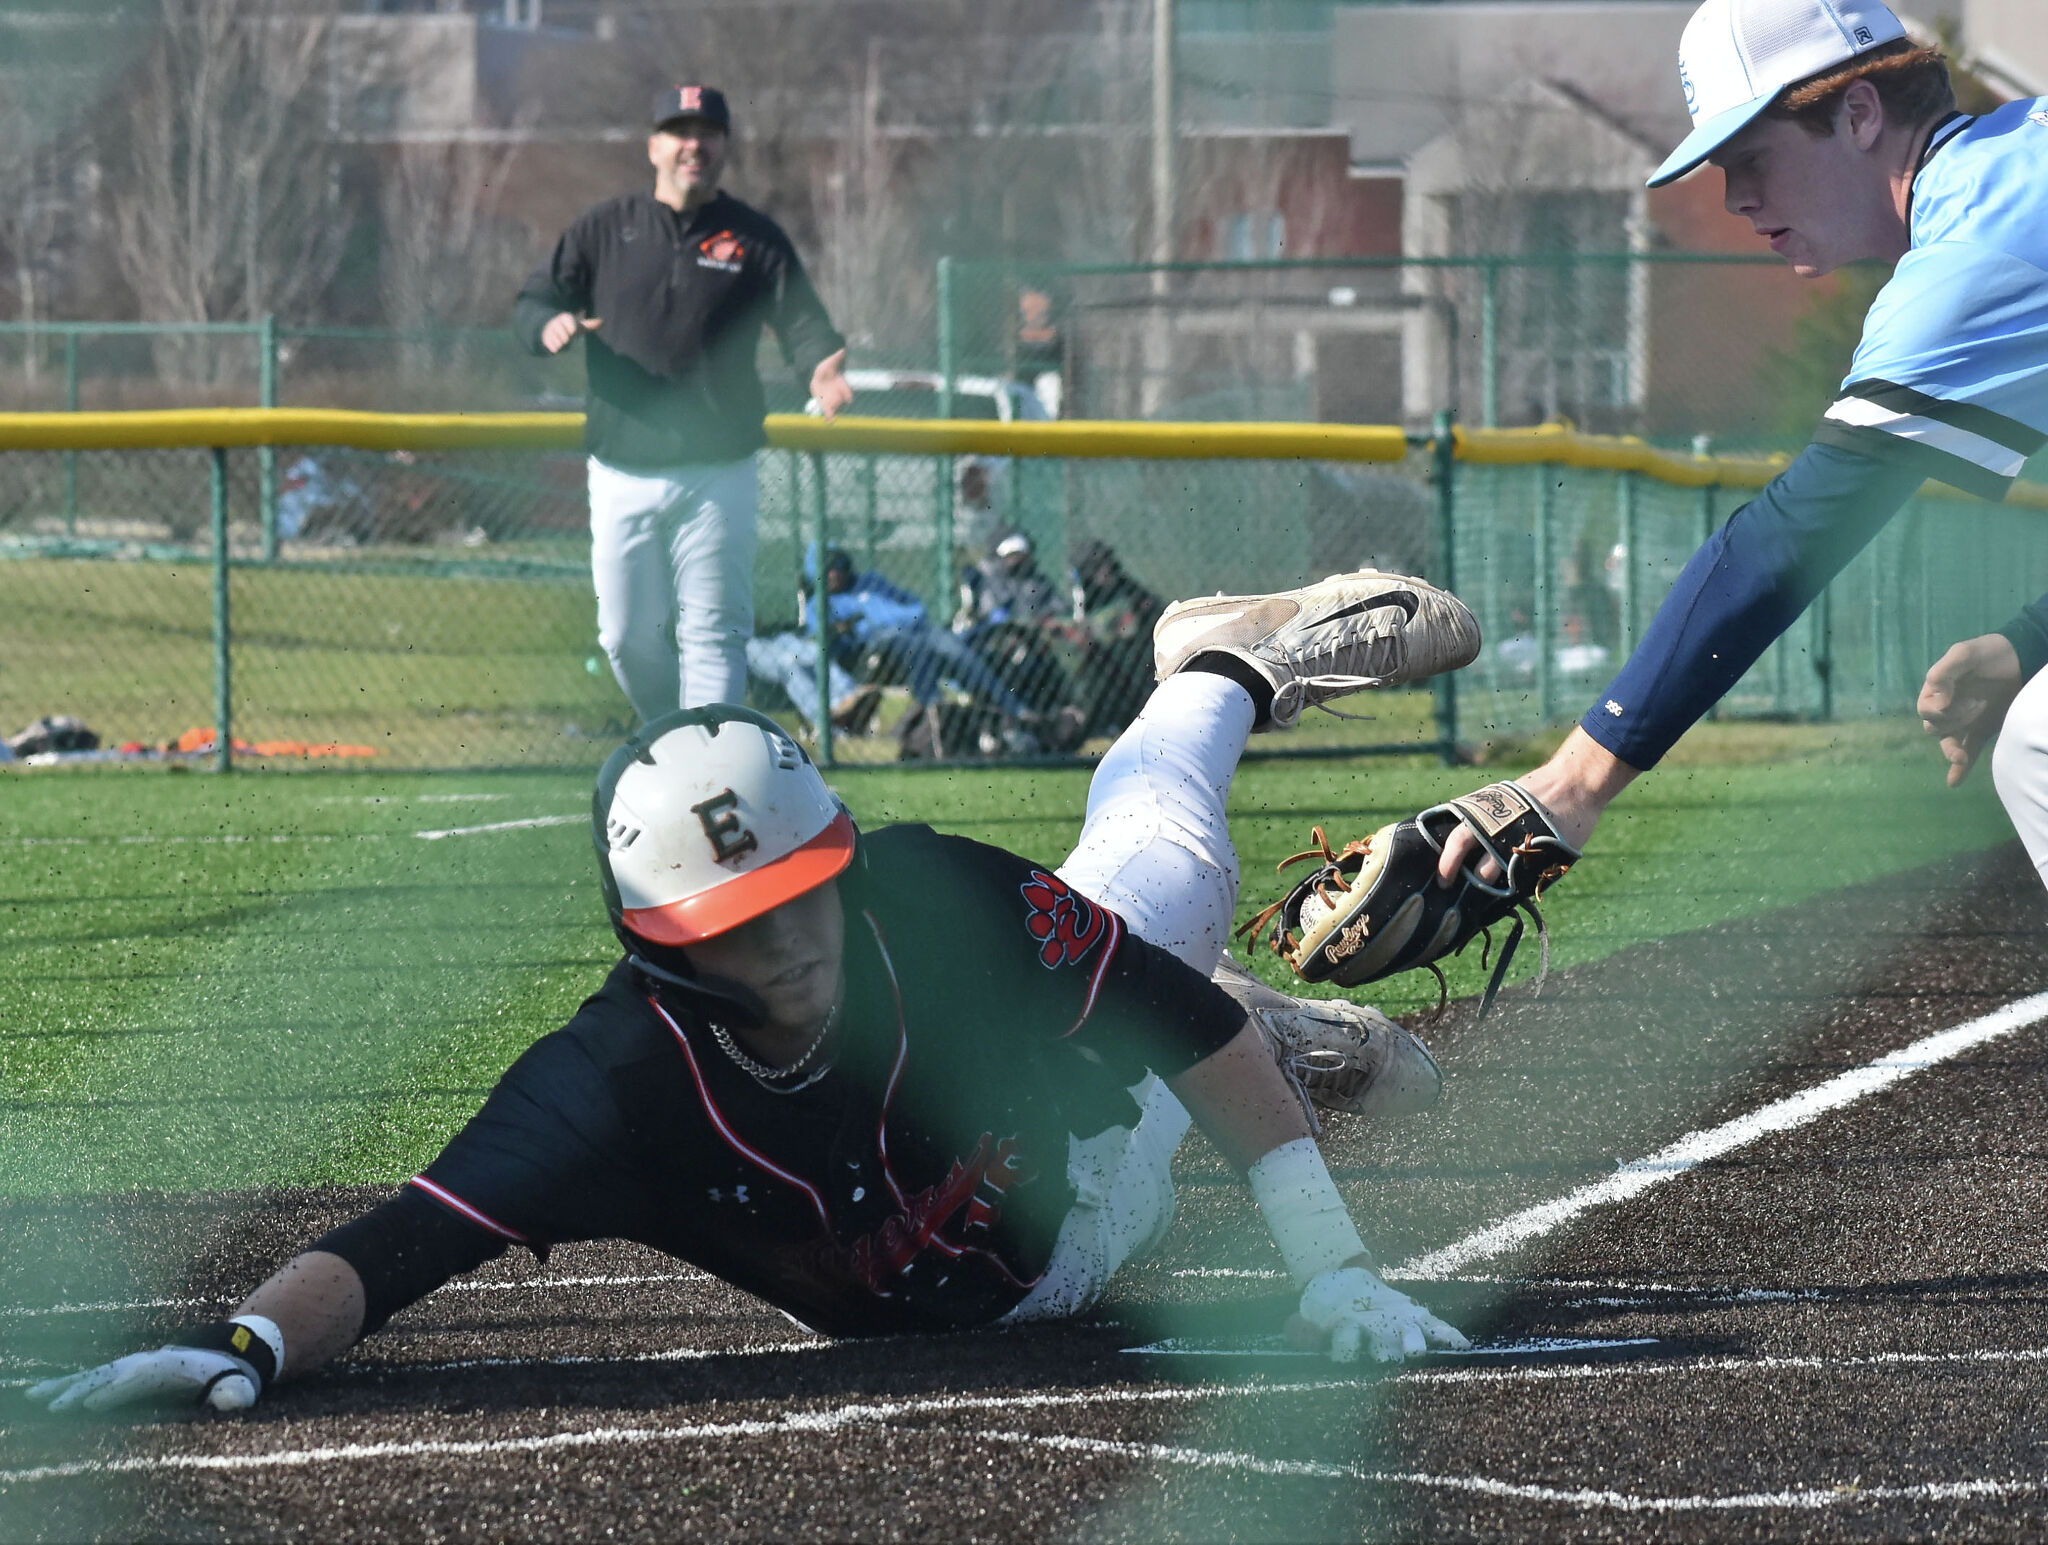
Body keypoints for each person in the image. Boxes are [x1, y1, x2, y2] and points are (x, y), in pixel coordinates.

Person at [26, 569, 1482, 1416]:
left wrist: (1334, 1269)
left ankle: (1219, 664)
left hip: (1095, 1166)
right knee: (1168, 971)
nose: (784, 944)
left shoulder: (935, 901)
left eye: (803, 899)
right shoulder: (609, 1085)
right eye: (737, 923)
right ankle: (1306, 1029)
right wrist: (247, 1342)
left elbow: (1192, 1033)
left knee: (1159, 890)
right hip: (958, 1271)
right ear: (664, 945)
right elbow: (398, 1245)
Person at [1436, 0, 2047, 889]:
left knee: (2036, 744)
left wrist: (1573, 784)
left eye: (1752, 157)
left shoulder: (1970, 261)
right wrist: (2028, 640)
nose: (1733, 199)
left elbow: (1787, 541)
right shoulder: (2018, 159)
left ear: (1861, 113)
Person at [514, 83, 855, 724]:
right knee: (623, 636)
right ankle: (670, 739)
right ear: (654, 146)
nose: (692, 144)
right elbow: (533, 302)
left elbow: (805, 324)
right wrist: (547, 325)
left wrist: (821, 365)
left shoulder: (754, 239)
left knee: (714, 634)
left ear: (723, 148)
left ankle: (715, 769)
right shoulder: (602, 229)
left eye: (707, 132)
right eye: (678, 130)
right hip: (621, 464)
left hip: (717, 469)